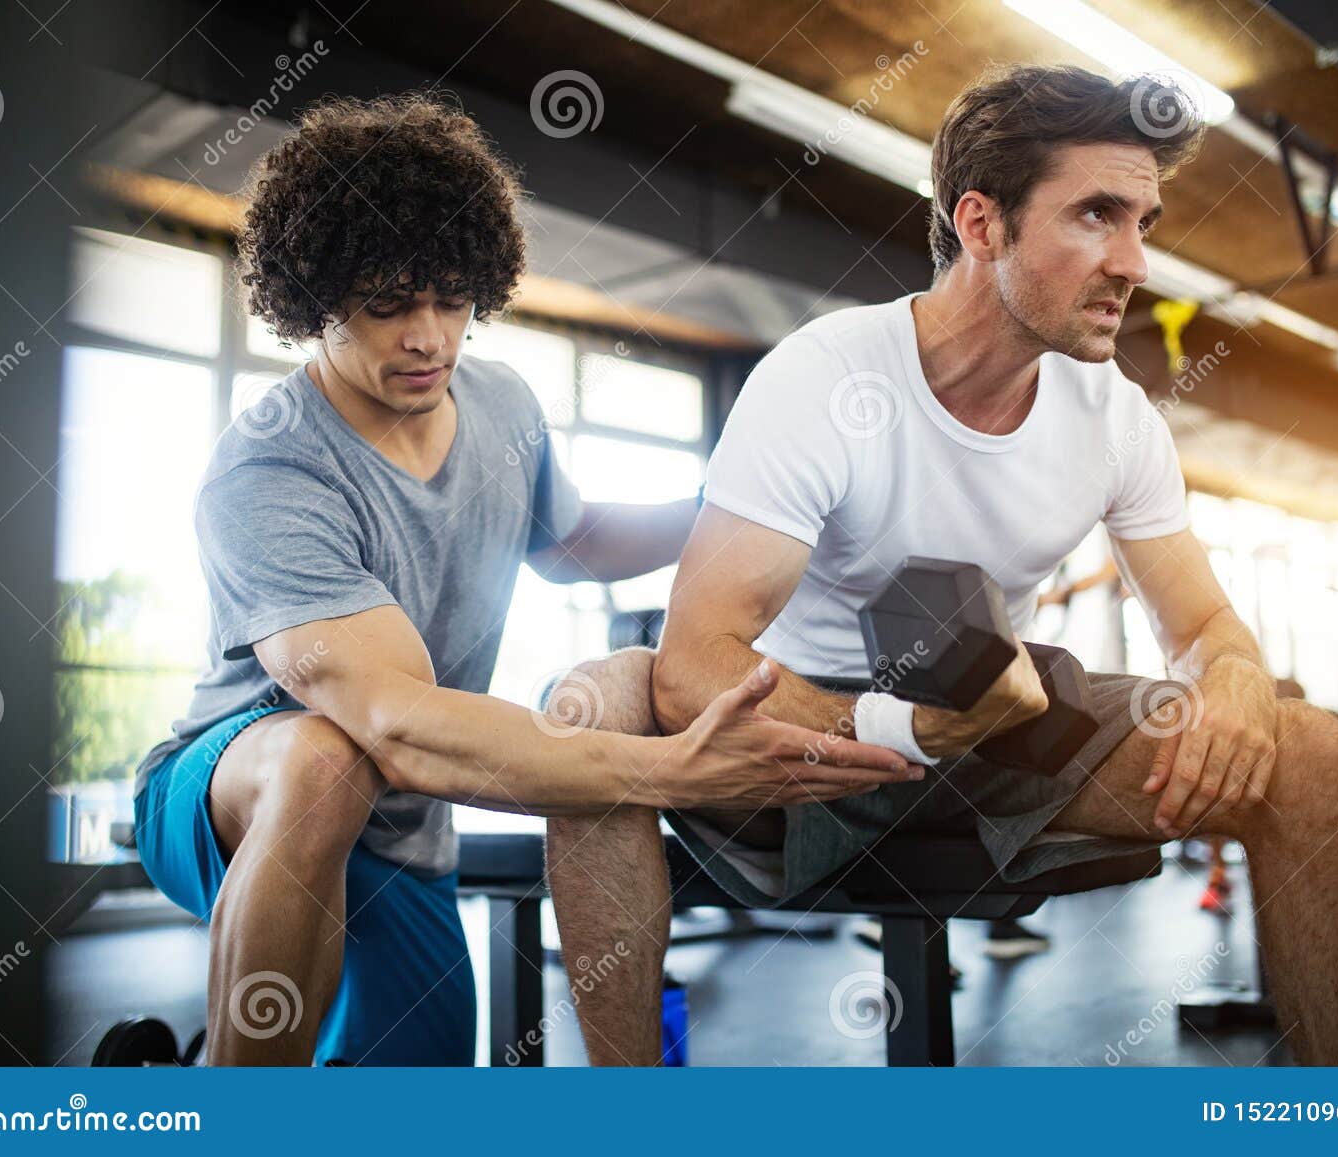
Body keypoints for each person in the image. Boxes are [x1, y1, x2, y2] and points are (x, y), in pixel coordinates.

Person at [543, 64, 1338, 1067]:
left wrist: (1239, 680)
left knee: (1301, 747)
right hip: (794, 749)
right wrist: (897, 723)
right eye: (1095, 214)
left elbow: (1204, 624)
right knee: (594, 700)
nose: (1132, 260)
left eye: (1144, 222)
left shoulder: (1114, 415)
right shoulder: (826, 379)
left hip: (995, 727)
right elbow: (697, 661)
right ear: (981, 223)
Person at [131, 93, 913, 1067]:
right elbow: (394, 719)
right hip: (230, 786)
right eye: (387, 304)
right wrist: (669, 771)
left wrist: (747, 501)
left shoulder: (498, 402)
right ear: (315, 297)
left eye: (451, 299)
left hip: (401, 821)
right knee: (326, 757)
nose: (428, 336)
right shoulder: (271, 467)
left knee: (416, 1085)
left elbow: (574, 538)